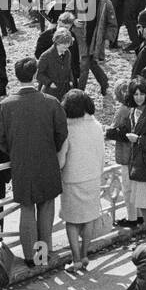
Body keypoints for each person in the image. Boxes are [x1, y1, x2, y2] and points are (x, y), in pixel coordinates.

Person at [0, 57, 67, 263]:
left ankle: (30, 257)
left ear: (16, 76)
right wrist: (51, 148)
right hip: (46, 159)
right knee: (46, 206)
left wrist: (14, 151)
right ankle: (44, 254)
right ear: (35, 75)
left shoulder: (4, 106)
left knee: (26, 207)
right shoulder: (51, 102)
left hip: (21, 161)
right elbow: (62, 133)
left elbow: (0, 138)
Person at [108, 78, 146, 242]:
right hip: (138, 166)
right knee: (144, 206)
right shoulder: (135, 112)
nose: (139, 97)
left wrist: (139, 140)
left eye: (142, 94)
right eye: (135, 94)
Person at [57, 90, 106, 273]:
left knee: (72, 220)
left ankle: (76, 259)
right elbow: (101, 154)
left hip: (72, 178)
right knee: (88, 219)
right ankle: (85, 255)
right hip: (93, 176)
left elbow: (61, 160)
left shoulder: (67, 130)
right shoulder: (97, 125)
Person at [37, 28, 75, 100]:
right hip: (50, 92)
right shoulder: (46, 56)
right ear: (57, 42)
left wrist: (71, 80)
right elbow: (39, 74)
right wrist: (50, 83)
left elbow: (69, 68)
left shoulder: (67, 53)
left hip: (65, 89)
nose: (67, 46)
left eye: (68, 43)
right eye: (64, 43)